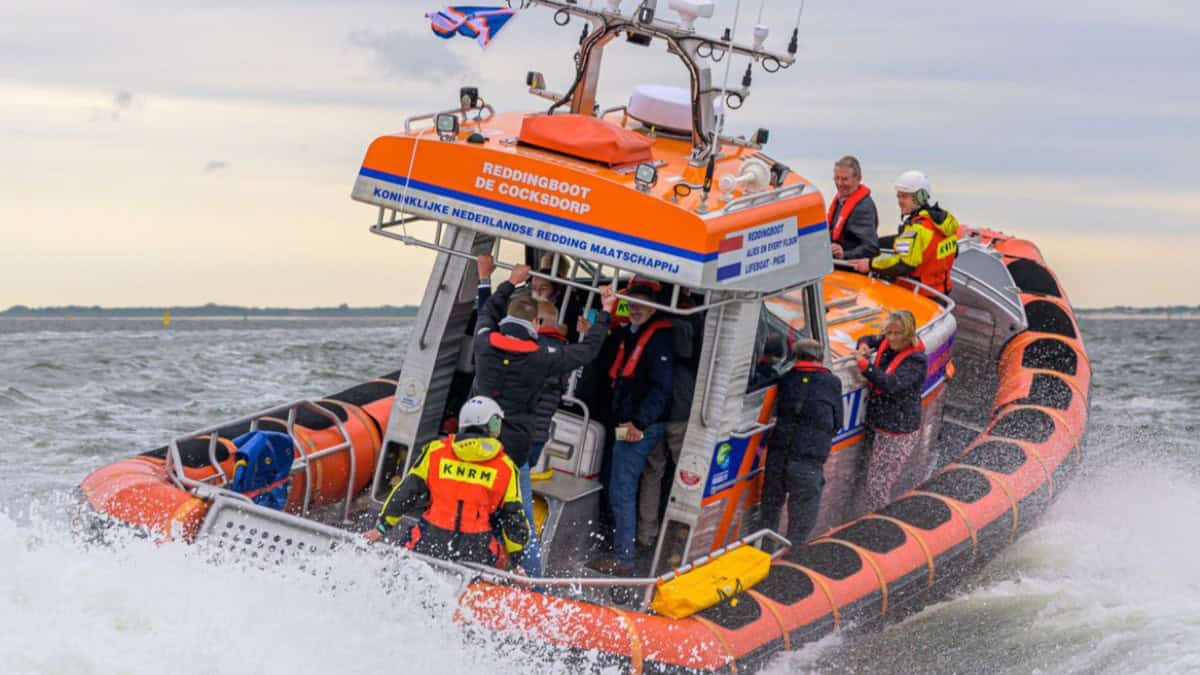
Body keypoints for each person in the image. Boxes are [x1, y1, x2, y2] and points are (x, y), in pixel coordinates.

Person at [472, 256, 616, 471]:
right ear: (535, 323)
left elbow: (487, 311)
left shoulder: (484, 340)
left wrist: (509, 282)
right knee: (514, 486)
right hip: (516, 445)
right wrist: (605, 312)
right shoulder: (546, 355)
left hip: (477, 434)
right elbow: (588, 350)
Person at [363, 397, 530, 571]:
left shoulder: (436, 451)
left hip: (429, 538)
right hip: (476, 547)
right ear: (491, 425)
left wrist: (381, 528)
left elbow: (407, 492)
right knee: (500, 560)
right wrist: (516, 561)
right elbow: (514, 517)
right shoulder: (506, 466)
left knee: (401, 555)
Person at [592, 281, 675, 576]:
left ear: (654, 307)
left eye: (642, 304)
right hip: (629, 421)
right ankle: (626, 545)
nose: (635, 308)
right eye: (632, 303)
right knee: (626, 482)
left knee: (621, 489)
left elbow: (662, 387)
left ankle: (624, 558)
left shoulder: (659, 339)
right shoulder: (631, 331)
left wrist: (639, 423)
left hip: (638, 426)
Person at [758, 339, 844, 545]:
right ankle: (792, 553)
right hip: (808, 458)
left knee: (770, 510)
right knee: (802, 516)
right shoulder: (831, 382)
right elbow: (837, 422)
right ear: (820, 358)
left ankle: (763, 551)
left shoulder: (786, 379)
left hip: (778, 455)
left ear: (795, 356)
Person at [636, 293, 703, 549]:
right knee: (686, 477)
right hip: (682, 413)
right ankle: (678, 539)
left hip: (652, 417)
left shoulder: (653, 328)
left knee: (652, 473)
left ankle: (646, 534)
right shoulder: (697, 325)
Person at [855, 310, 928, 513]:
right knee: (870, 479)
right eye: (889, 333)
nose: (892, 338)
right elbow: (868, 338)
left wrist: (866, 367)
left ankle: (880, 521)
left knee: (878, 485)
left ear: (908, 334)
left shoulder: (916, 361)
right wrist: (863, 345)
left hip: (897, 430)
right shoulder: (887, 341)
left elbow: (893, 384)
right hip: (880, 421)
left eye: (897, 334)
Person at [852, 170, 959, 294]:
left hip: (918, 295)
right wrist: (876, 242)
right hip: (940, 292)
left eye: (905, 197)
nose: (900, 201)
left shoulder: (916, 229)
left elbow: (903, 265)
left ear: (920, 197)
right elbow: (953, 252)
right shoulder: (942, 224)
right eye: (899, 196)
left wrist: (870, 264)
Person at [828, 156, 880, 261]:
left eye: (844, 179)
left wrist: (844, 254)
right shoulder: (840, 202)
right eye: (837, 178)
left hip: (848, 266)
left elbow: (871, 248)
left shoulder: (863, 208)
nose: (839, 183)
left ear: (858, 179)